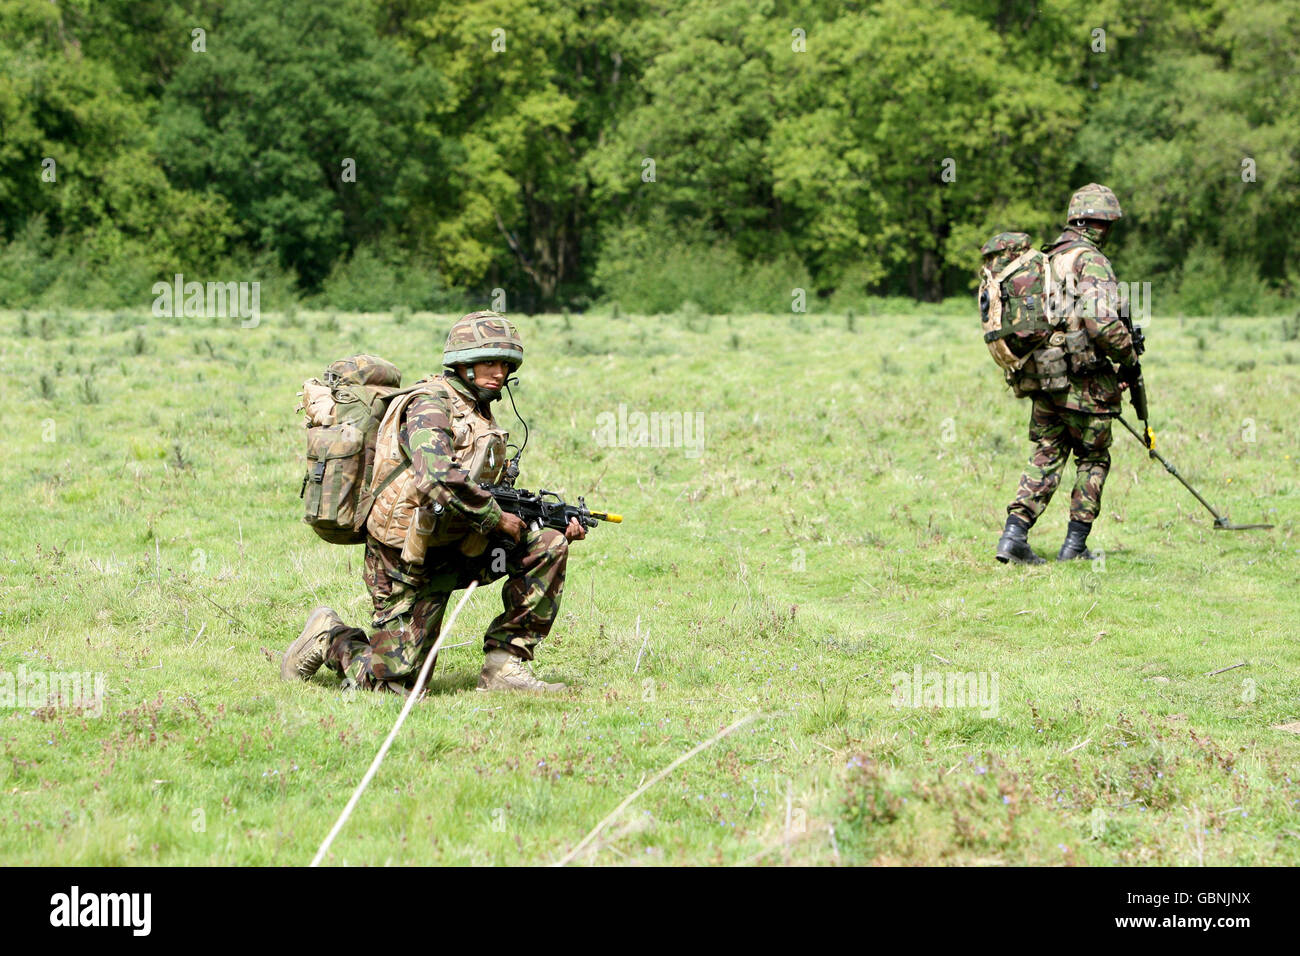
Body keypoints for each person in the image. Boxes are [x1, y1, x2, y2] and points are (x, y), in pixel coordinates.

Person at [281, 311, 585, 693]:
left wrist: (547, 523)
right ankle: (330, 636)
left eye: (505, 364)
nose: (499, 372)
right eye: (488, 361)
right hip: (407, 556)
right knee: (397, 685)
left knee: (548, 545)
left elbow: (483, 487)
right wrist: (495, 518)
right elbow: (437, 474)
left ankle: (504, 669)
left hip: (457, 543)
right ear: (462, 364)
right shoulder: (429, 404)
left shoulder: (479, 412)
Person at [996, 183, 1142, 564]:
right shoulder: (1089, 260)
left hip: (1045, 375)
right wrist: (1127, 359)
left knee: (1048, 451)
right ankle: (1074, 547)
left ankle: (1013, 536)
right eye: (1108, 224)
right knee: (1093, 458)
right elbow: (1102, 324)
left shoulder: (1047, 258)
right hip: (1083, 380)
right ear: (1099, 223)